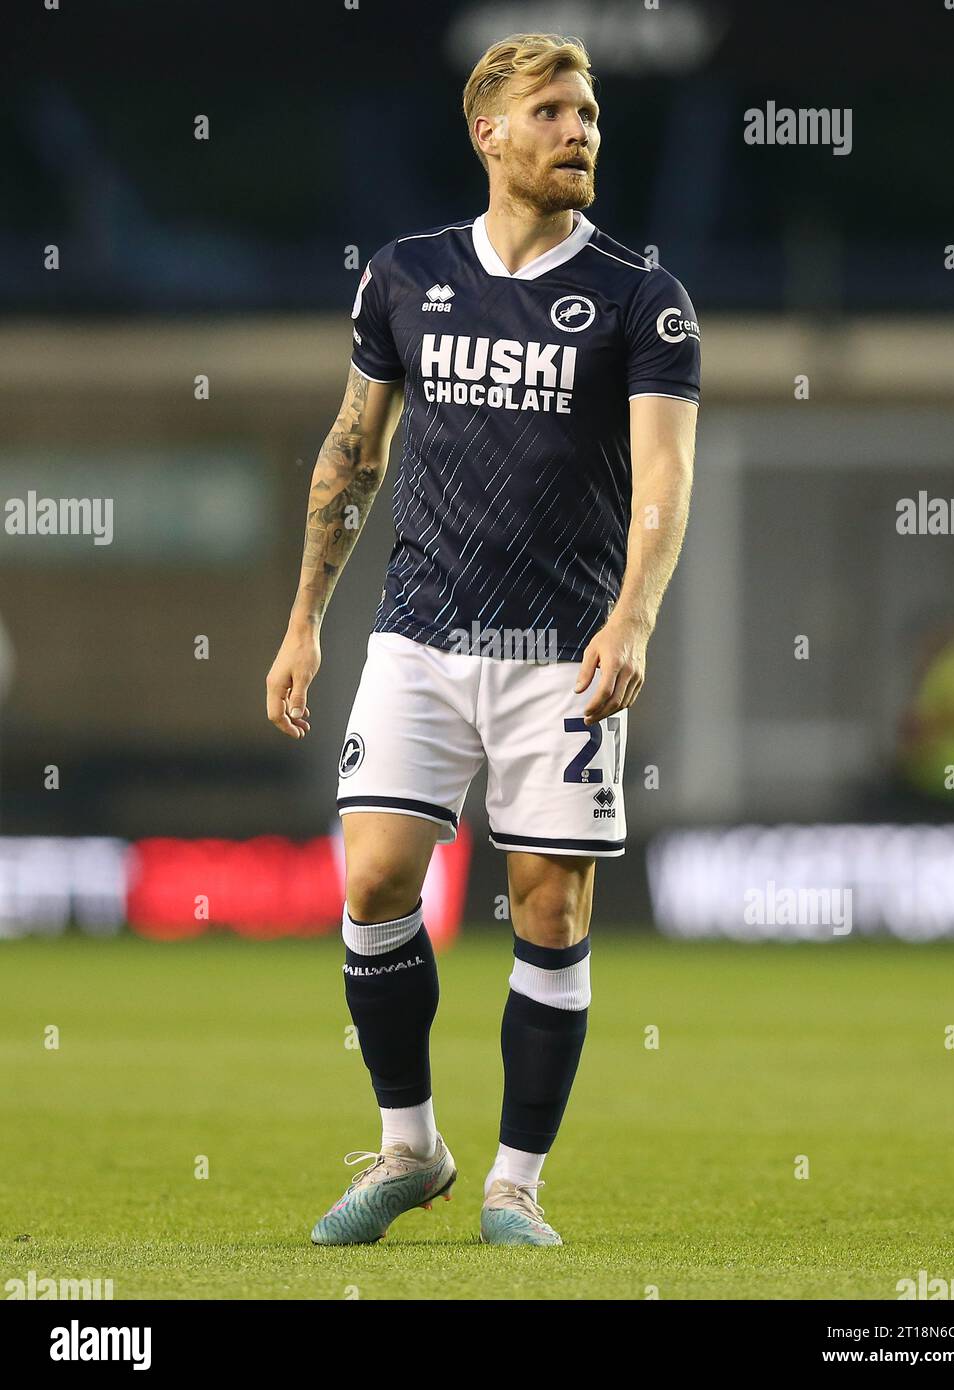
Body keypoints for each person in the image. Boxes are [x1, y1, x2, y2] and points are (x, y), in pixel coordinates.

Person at [266, 31, 700, 1246]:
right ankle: (410, 1149)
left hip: (562, 648)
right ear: (488, 131)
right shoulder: (403, 277)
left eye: (588, 114)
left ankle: (515, 1183)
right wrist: (302, 621)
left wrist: (632, 614)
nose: (579, 132)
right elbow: (351, 453)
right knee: (371, 880)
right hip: (417, 633)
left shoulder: (640, 297)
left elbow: (664, 477)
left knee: (547, 908)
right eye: (552, 111)